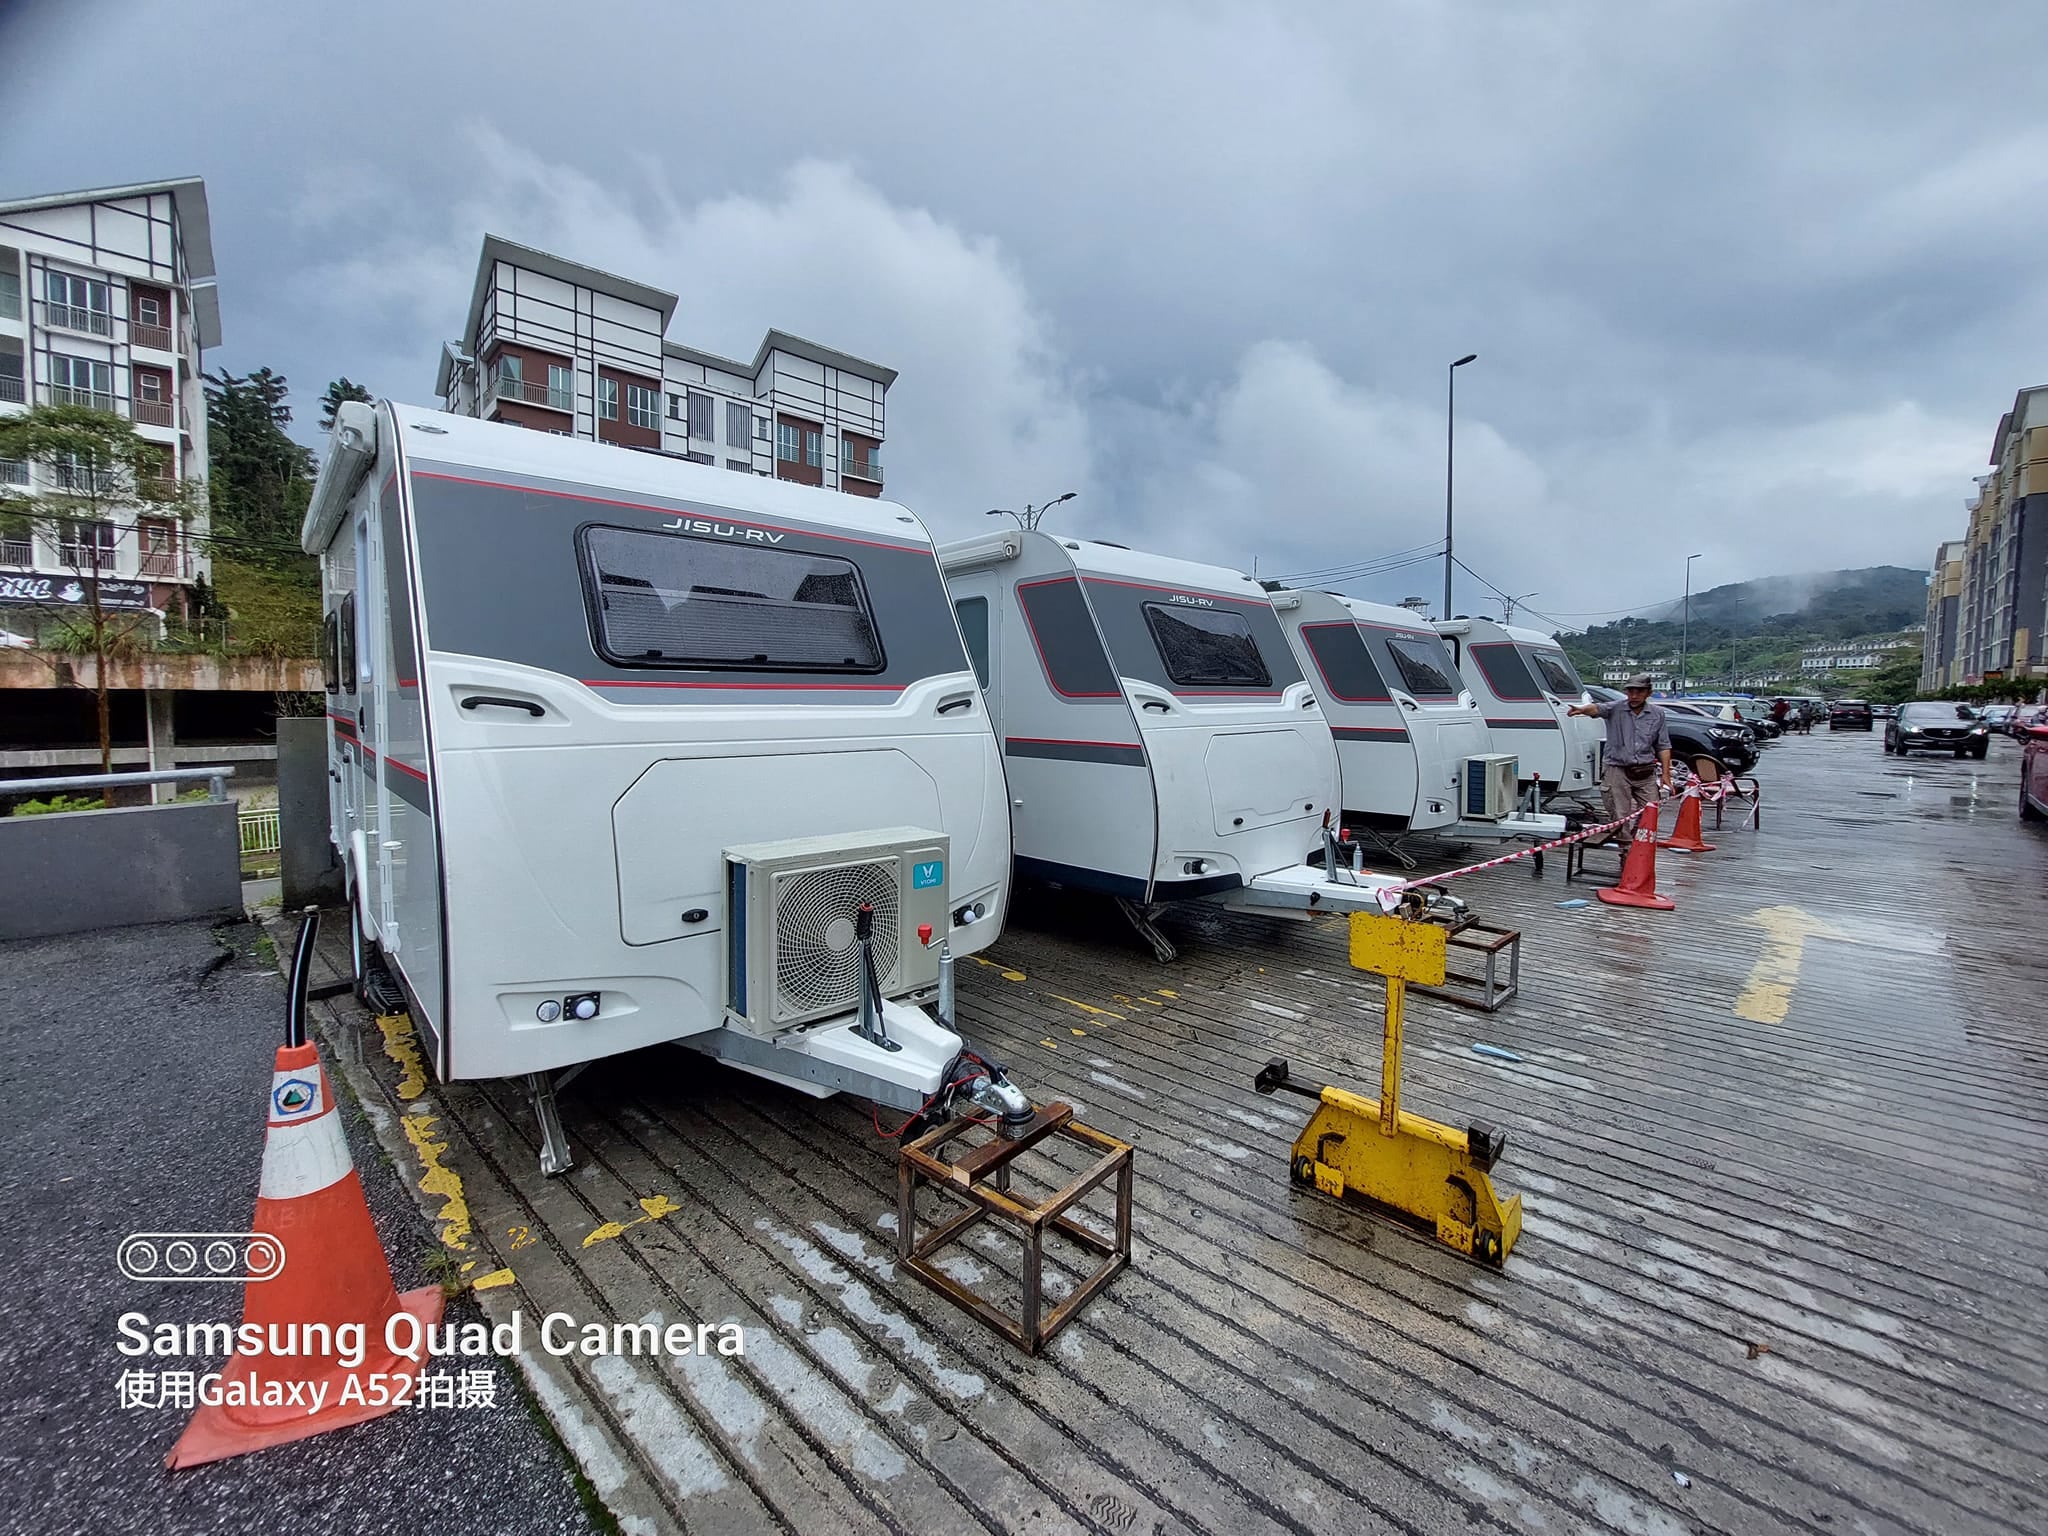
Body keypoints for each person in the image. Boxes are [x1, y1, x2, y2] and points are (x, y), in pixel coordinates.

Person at [1569, 674, 1671, 830]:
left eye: (1640, 691)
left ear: (1648, 693)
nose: (1634, 696)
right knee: (1619, 816)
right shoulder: (1615, 708)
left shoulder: (1658, 714)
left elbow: (1663, 745)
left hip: (1645, 770)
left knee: (1652, 810)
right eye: (1631, 692)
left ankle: (1639, 841)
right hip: (1617, 769)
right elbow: (1596, 708)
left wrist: (1666, 774)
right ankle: (1625, 848)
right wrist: (1582, 709)